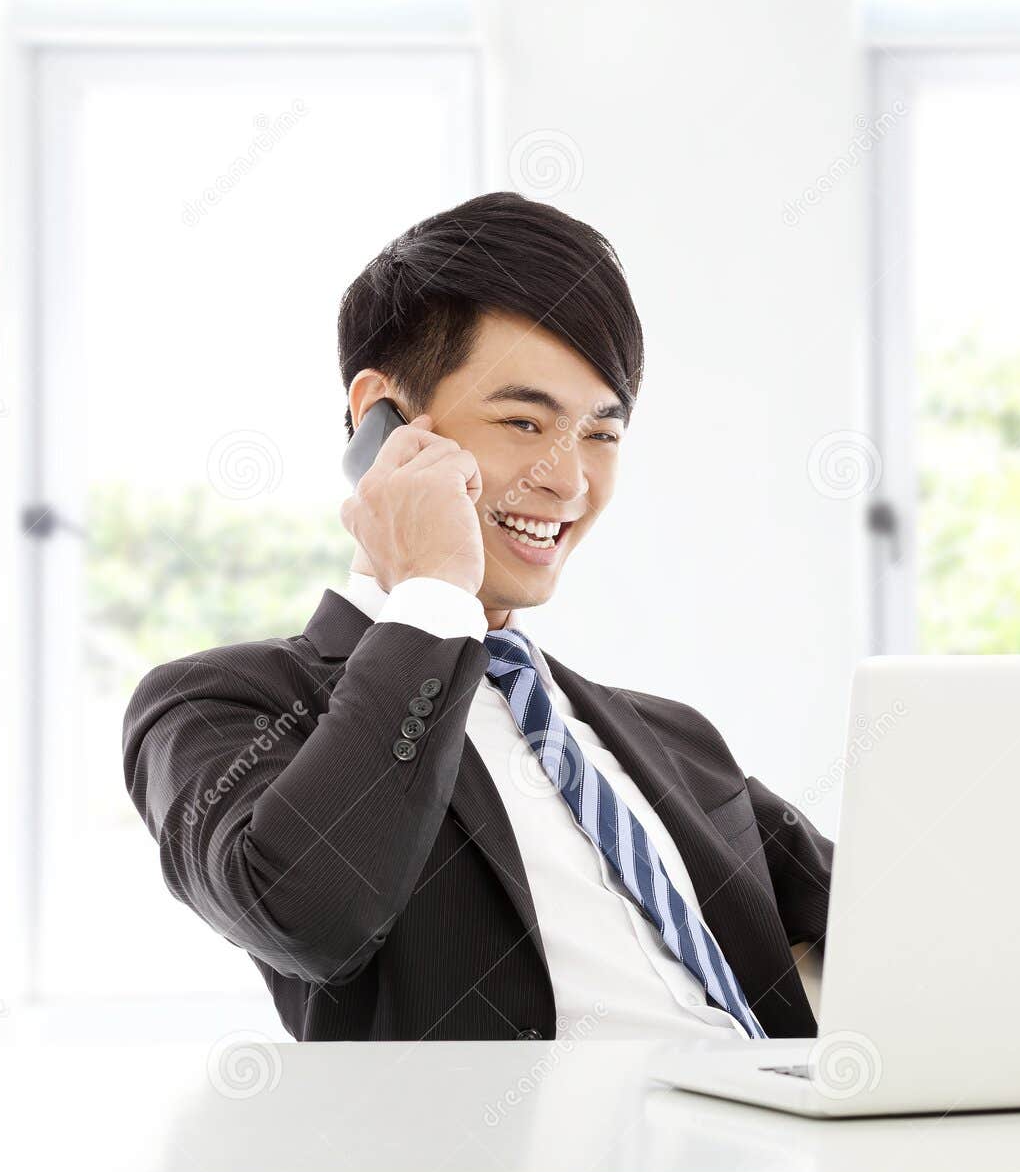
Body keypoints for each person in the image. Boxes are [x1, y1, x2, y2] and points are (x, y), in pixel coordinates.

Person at [122, 192, 833, 1041]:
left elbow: (915, 934)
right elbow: (308, 916)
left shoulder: (675, 741)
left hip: (792, 1154)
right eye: (523, 421)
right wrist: (432, 593)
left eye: (601, 434)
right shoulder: (218, 704)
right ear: (378, 421)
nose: (569, 483)